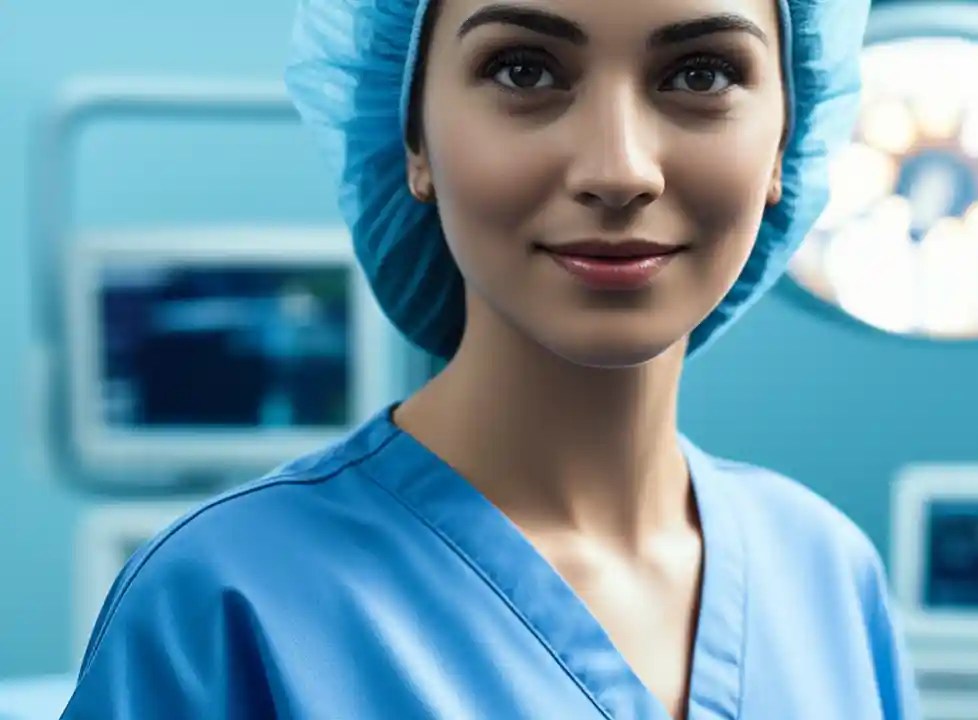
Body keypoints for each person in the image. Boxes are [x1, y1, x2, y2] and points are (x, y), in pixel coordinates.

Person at [61, 0, 920, 717]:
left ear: (785, 141)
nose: (619, 170)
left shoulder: (822, 574)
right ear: (415, 142)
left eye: (700, 74)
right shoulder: (225, 602)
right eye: (524, 71)